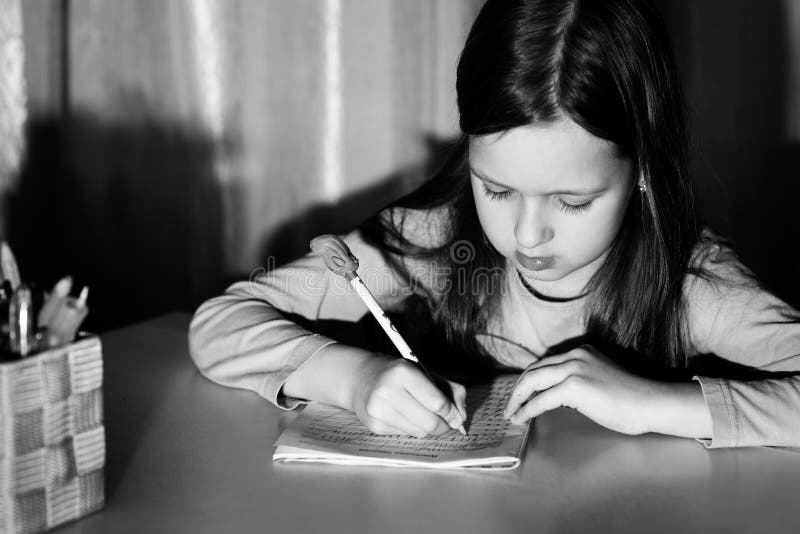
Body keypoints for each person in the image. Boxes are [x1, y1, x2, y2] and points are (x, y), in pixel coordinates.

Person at [189, 0, 800, 448]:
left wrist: (658, 404)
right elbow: (220, 324)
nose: (527, 236)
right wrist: (353, 378)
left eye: (572, 201)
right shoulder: (432, 242)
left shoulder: (692, 283)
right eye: (497, 189)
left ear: (642, 170)